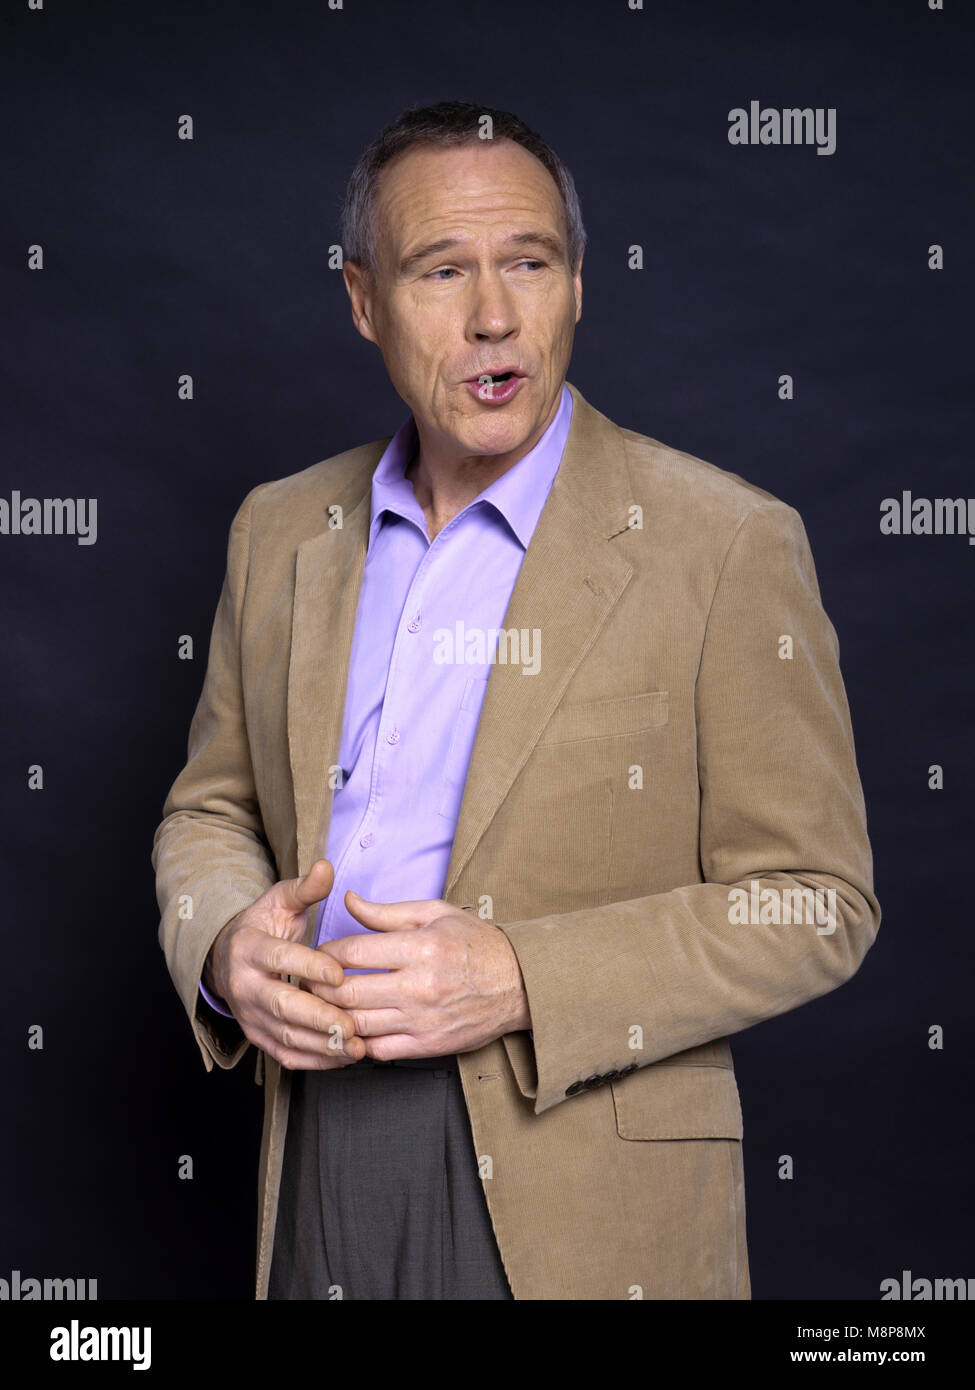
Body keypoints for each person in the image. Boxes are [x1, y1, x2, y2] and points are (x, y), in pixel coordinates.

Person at [152, 99, 880, 1301]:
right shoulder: (277, 529)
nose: (496, 316)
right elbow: (209, 810)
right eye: (442, 270)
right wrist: (227, 943)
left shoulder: (728, 542)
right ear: (362, 299)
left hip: (587, 1181)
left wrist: (525, 979)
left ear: (579, 284)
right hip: (321, 1144)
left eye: (529, 264)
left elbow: (820, 903)